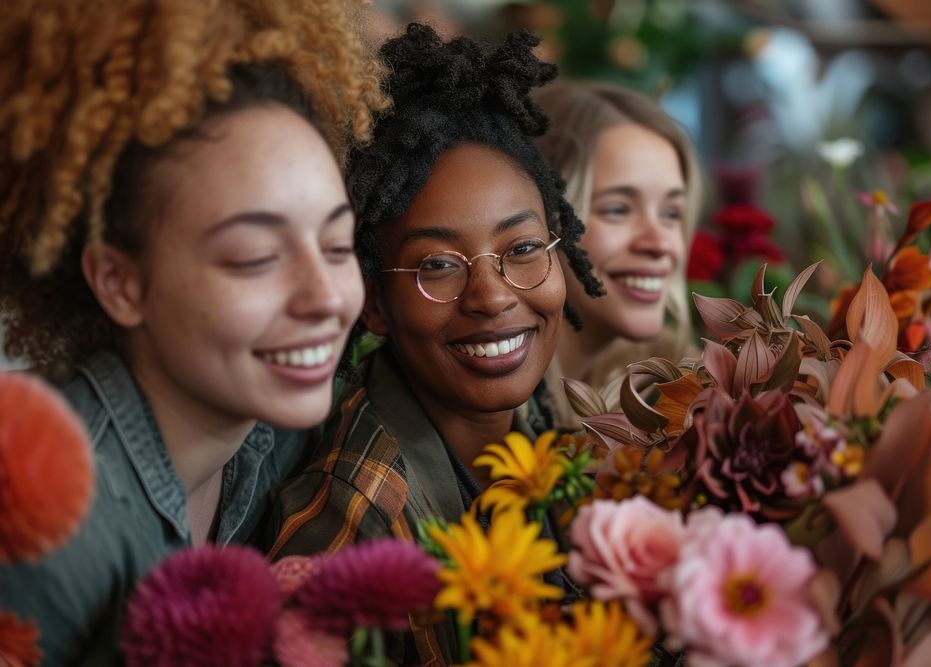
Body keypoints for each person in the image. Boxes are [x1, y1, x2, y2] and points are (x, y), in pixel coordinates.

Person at [0, 0, 385, 663]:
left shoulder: (291, 433)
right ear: (119, 282)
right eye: (254, 259)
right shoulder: (45, 530)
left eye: (338, 244)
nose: (325, 297)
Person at [264, 23, 603, 664]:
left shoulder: (547, 431)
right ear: (375, 304)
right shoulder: (352, 533)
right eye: (437, 266)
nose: (492, 296)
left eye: (524, 249)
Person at [533, 81, 703, 429]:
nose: (660, 243)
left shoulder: (688, 390)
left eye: (671, 214)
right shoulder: (486, 407)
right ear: (535, 222)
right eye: (617, 210)